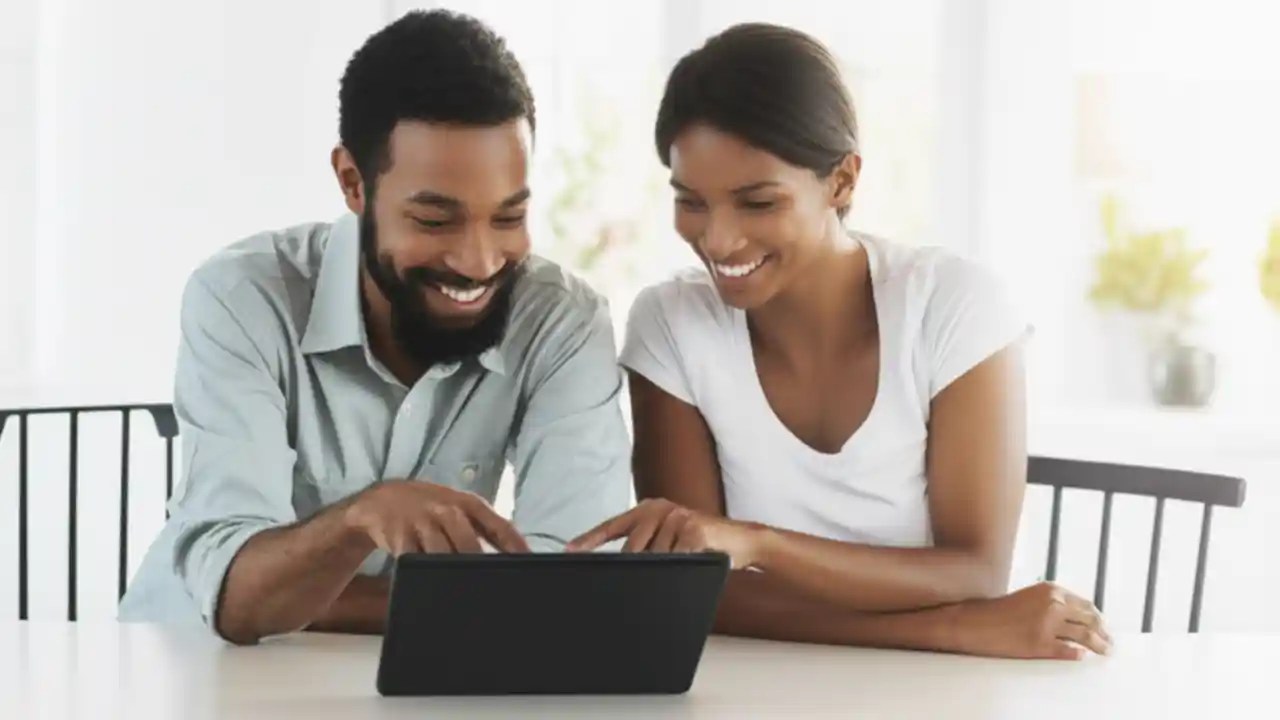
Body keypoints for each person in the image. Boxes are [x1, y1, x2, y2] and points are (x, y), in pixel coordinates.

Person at [569, 23, 1110, 660]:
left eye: (757, 203)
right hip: (757, 685)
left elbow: (975, 571)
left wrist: (761, 545)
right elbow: (696, 591)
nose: (717, 239)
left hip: (940, 692)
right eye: (692, 202)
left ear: (842, 181)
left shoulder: (952, 307)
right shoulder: (671, 324)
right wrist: (950, 629)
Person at [119, 10, 631, 644]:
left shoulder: (561, 322)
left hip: (401, 669)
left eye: (507, 218)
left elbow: (577, 586)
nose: (479, 261)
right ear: (353, 183)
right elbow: (237, 599)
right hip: (185, 662)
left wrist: (316, 596)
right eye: (435, 221)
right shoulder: (243, 298)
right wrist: (358, 521)